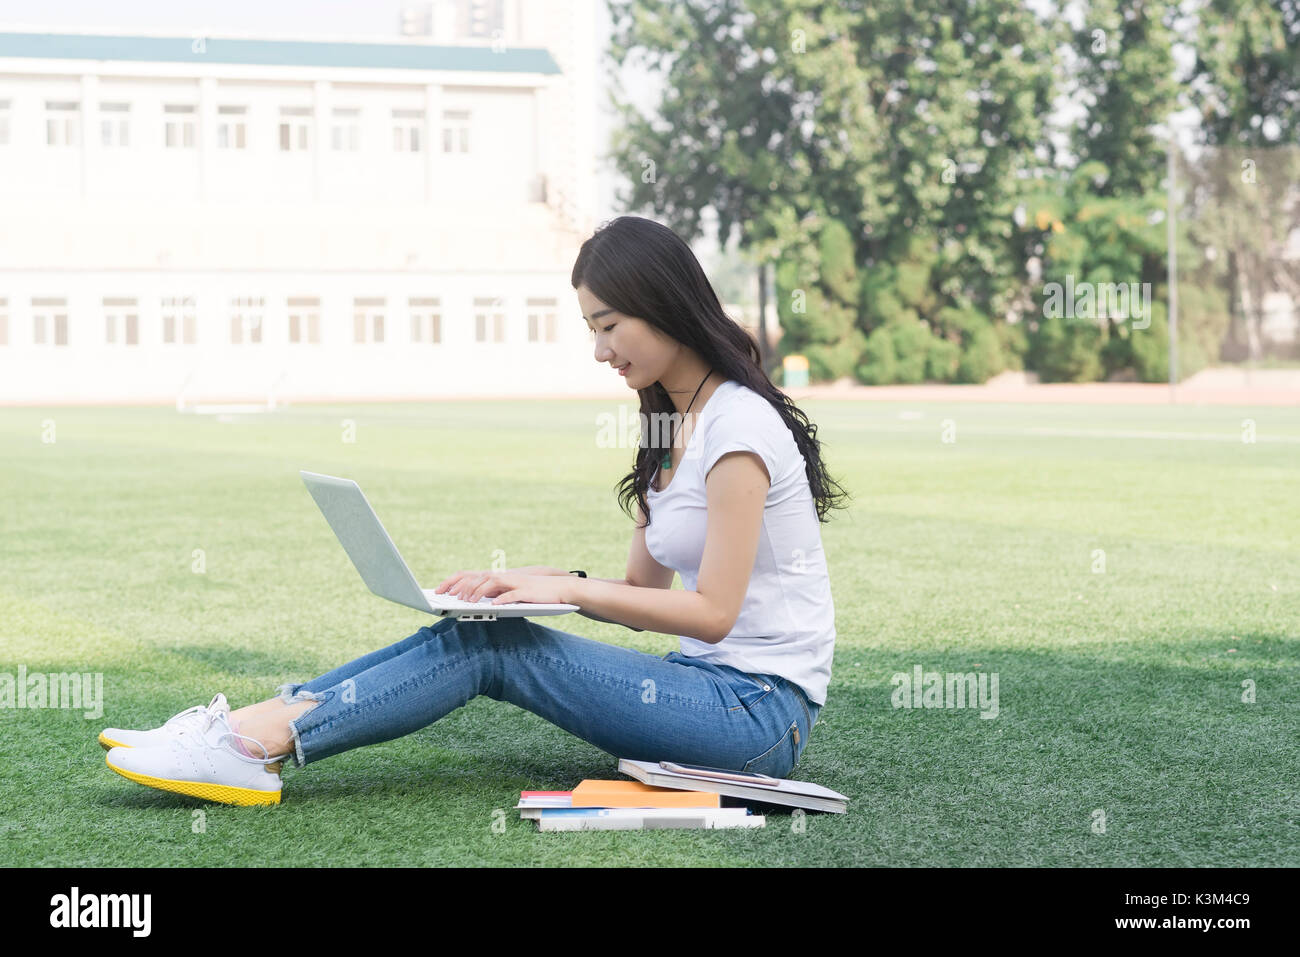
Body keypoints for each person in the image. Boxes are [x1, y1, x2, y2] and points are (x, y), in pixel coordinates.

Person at [101, 215, 851, 806]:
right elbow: (644, 595)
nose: (599, 350)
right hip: (706, 689)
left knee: (492, 652)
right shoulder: (666, 424)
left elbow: (715, 612)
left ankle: (250, 746)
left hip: (757, 716)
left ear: (663, 306)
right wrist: (542, 578)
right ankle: (240, 728)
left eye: (609, 324)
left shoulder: (740, 428)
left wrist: (566, 590)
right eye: (591, 327)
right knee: (476, 629)